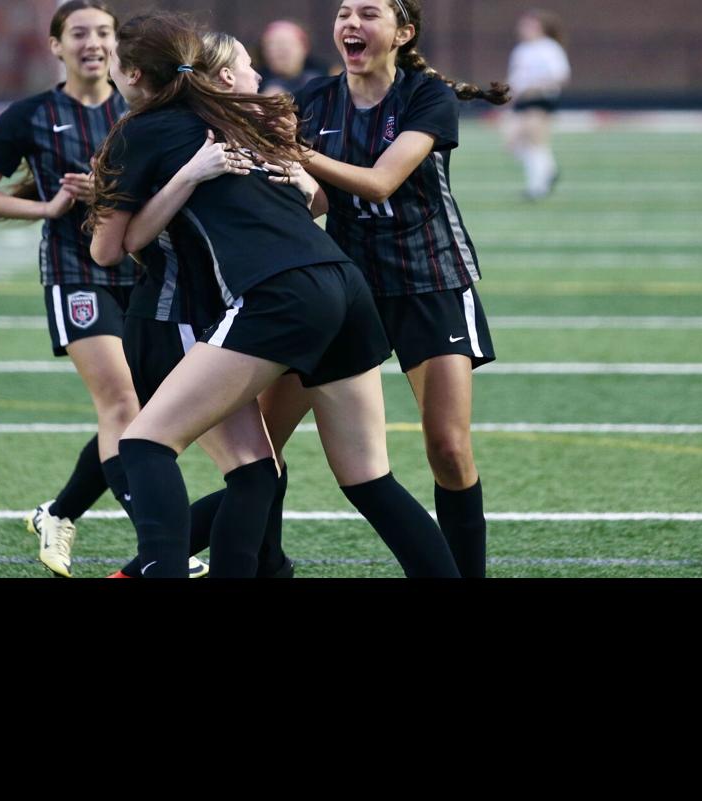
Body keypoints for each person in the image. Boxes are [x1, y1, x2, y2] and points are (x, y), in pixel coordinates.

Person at [88, 8, 459, 578]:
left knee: (143, 447)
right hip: (342, 280)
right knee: (366, 478)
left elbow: (109, 251)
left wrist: (186, 178)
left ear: (135, 74)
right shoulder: (240, 119)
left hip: (276, 292)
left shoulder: (143, 129)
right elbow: (313, 200)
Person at [0, 0, 200, 577]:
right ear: (56, 45)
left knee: (135, 413)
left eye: (104, 33)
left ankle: (59, 511)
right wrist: (49, 206)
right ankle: (159, 548)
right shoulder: (33, 113)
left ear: (120, 47)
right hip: (76, 272)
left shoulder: (139, 105)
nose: (93, 43)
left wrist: (112, 192)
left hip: (143, 274)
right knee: (120, 403)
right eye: (79, 33)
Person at [287, 0, 509, 578]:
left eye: (369, 12)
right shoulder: (313, 99)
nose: (350, 24)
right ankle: (259, 559)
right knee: (261, 446)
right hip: (347, 285)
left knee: (449, 450)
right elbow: (315, 199)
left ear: (402, 32)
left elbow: (384, 181)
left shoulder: (425, 97)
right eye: (342, 13)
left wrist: (295, 153)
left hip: (429, 279)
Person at [503, 10, 569, 201]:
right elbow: (515, 78)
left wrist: (536, 87)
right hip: (522, 99)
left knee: (534, 140)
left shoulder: (550, 48)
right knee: (513, 142)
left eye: (530, 25)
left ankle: (537, 187)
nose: (524, 29)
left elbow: (560, 75)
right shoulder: (521, 50)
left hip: (540, 98)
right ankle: (549, 170)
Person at [258, 19, 330, 96]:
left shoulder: (327, 75)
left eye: (288, 43)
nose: (281, 50)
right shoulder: (255, 81)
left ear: (304, 48)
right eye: (272, 45)